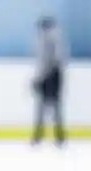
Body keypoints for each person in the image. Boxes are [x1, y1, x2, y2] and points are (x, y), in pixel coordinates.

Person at [30, 15, 67, 147]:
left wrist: (40, 77)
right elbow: (60, 60)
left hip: (49, 76)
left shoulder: (47, 39)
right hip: (55, 75)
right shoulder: (57, 39)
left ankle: (40, 136)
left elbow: (47, 61)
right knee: (54, 107)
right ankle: (58, 136)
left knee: (44, 107)